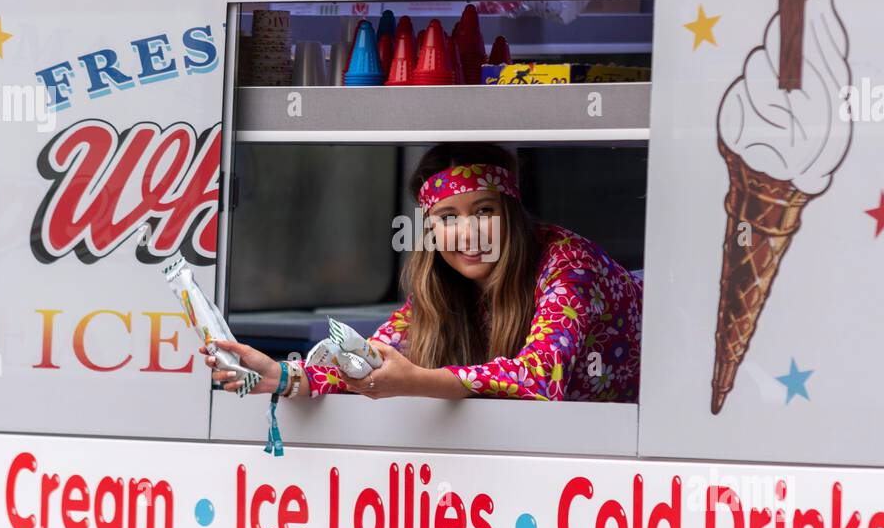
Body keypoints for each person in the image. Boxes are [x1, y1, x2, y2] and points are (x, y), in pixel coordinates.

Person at [203, 143, 642, 402]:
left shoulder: (568, 263)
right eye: (448, 218)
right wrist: (282, 376)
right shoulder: (446, 284)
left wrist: (418, 382)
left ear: (512, 212)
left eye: (483, 211)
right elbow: (368, 360)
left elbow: (540, 377)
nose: (467, 233)